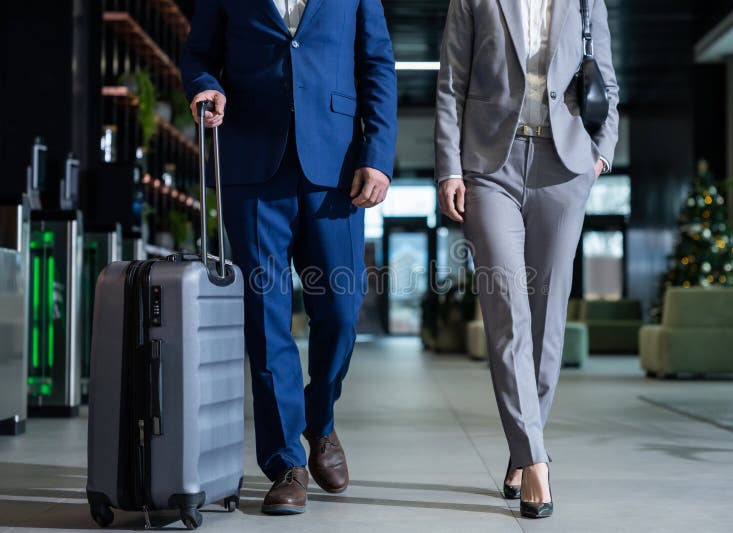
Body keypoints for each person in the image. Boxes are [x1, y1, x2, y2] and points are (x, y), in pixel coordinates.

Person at [181, 0, 397, 516]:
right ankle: (285, 464)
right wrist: (204, 85)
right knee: (265, 317)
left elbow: (377, 65)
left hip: (337, 166)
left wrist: (378, 156)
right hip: (253, 167)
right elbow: (198, 53)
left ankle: (319, 422)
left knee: (342, 312)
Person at [435, 0, 619, 519]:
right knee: (506, 309)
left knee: (547, 319)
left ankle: (521, 444)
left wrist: (599, 154)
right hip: (491, 167)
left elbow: (605, 74)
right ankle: (536, 460)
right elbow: (451, 83)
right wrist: (449, 169)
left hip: (565, 168)